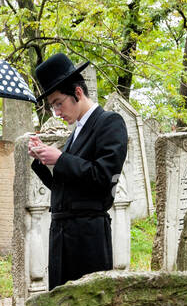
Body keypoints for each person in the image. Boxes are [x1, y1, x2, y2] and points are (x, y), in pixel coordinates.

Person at [27, 53, 129, 290]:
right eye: (53, 106)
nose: (57, 112)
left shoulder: (109, 122)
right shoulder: (76, 131)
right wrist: (44, 159)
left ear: (78, 93)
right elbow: (67, 187)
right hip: (62, 235)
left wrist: (61, 159)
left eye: (58, 103)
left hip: (87, 236)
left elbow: (103, 176)